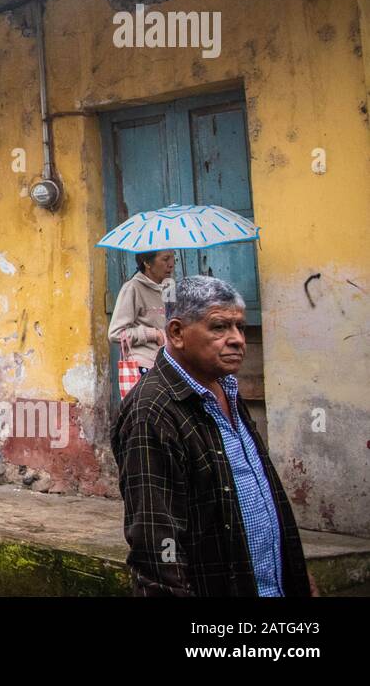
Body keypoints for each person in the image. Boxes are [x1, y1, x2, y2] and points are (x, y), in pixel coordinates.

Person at [111, 276, 314, 597]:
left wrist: (299, 578)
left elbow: (262, 491)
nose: (237, 340)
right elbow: (157, 544)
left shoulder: (226, 389)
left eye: (240, 327)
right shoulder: (152, 411)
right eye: (219, 327)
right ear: (176, 333)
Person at [107, 250, 175, 373]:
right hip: (144, 367)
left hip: (168, 364)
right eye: (165, 259)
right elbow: (115, 333)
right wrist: (153, 334)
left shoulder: (169, 287)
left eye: (172, 257)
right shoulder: (132, 288)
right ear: (147, 263)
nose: (171, 264)